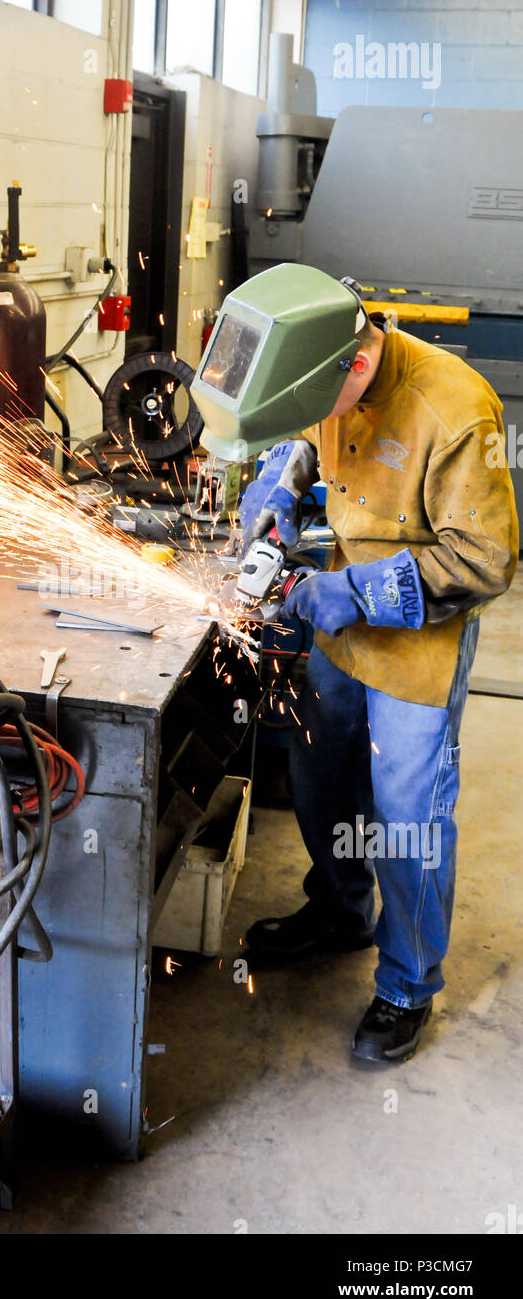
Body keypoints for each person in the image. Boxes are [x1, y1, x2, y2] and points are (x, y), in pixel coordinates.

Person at [237, 290, 518, 1063]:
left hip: (415, 641)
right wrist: (278, 486)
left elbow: (483, 561)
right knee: (317, 771)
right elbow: (299, 434)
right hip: (338, 630)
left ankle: (404, 984)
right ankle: (338, 912)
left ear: (358, 362)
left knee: (406, 816)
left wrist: (352, 593)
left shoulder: (455, 408)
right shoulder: (325, 367)